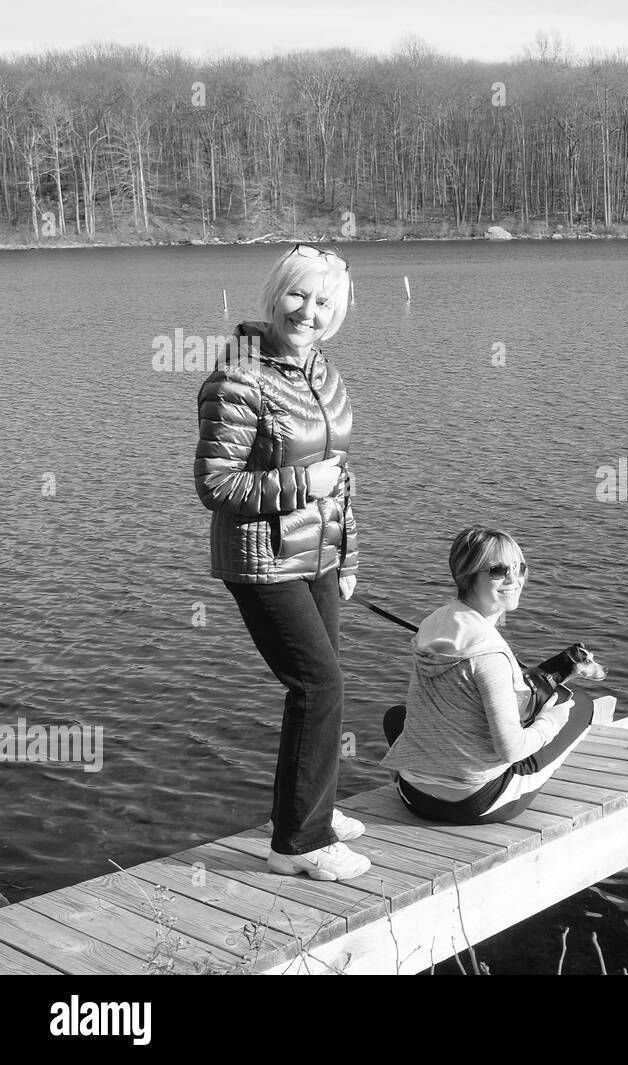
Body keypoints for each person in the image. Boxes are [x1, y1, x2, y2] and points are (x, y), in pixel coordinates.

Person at [193, 244, 369, 882]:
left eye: (325, 302)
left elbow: (340, 475)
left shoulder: (322, 372)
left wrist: (348, 553)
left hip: (318, 554)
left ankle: (306, 810)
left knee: (325, 686)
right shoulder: (240, 375)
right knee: (318, 686)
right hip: (259, 559)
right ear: (276, 295)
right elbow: (217, 485)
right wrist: (303, 484)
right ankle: (299, 843)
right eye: (299, 295)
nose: (309, 312)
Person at [380, 527, 595, 823]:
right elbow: (511, 749)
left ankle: (422, 772)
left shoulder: (432, 623)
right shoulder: (490, 657)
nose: (514, 579)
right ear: (467, 575)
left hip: (413, 795)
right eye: (498, 570)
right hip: (473, 803)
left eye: (521, 568)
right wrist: (550, 722)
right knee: (580, 704)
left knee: (397, 715)